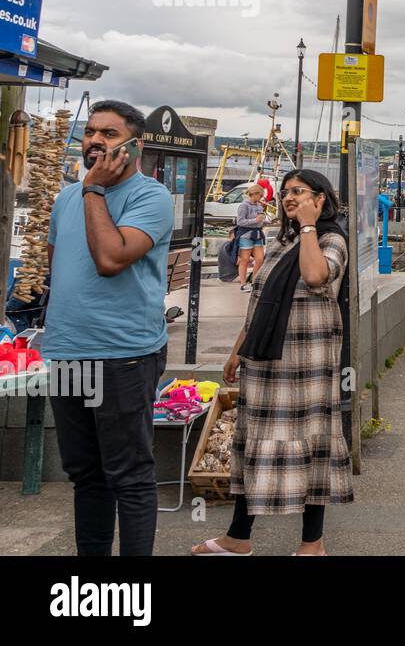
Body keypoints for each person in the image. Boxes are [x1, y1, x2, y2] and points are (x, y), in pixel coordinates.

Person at [193, 169, 353, 556]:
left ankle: (312, 543)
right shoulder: (282, 241)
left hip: (307, 364)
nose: (289, 198)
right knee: (255, 446)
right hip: (266, 363)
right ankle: (238, 537)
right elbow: (260, 301)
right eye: (285, 193)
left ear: (320, 198)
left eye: (299, 191)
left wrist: (310, 227)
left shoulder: (331, 239)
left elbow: (316, 276)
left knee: (314, 446)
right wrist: (237, 349)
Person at [46, 101, 174, 557]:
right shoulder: (66, 197)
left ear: (134, 146)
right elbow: (57, 264)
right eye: (90, 132)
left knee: (129, 474)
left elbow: (109, 260)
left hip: (123, 356)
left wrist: (94, 191)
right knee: (85, 473)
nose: (95, 140)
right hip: (66, 352)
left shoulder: (151, 198)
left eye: (109, 134)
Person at [234, 184, 268, 292]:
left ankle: (254, 282)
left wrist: (264, 219)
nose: (261, 198)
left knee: (260, 259)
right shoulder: (244, 205)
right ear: (254, 194)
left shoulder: (259, 205)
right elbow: (240, 221)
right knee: (245, 259)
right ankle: (243, 284)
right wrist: (256, 220)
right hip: (246, 234)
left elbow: (260, 219)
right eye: (260, 195)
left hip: (257, 234)